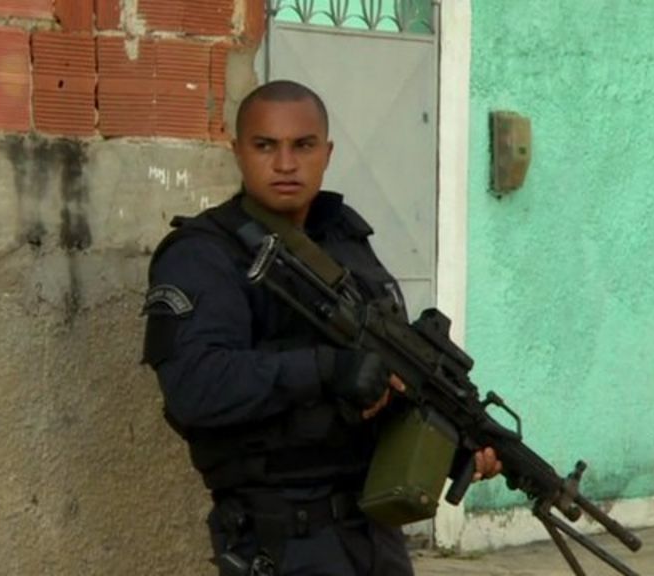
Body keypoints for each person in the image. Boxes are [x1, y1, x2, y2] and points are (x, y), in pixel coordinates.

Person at [141, 80, 500, 576]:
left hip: (375, 534)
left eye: (303, 145)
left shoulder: (345, 239)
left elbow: (386, 384)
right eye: (266, 145)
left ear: (327, 153)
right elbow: (195, 387)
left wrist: (450, 443)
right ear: (238, 151)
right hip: (284, 538)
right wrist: (326, 369)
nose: (286, 163)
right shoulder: (204, 255)